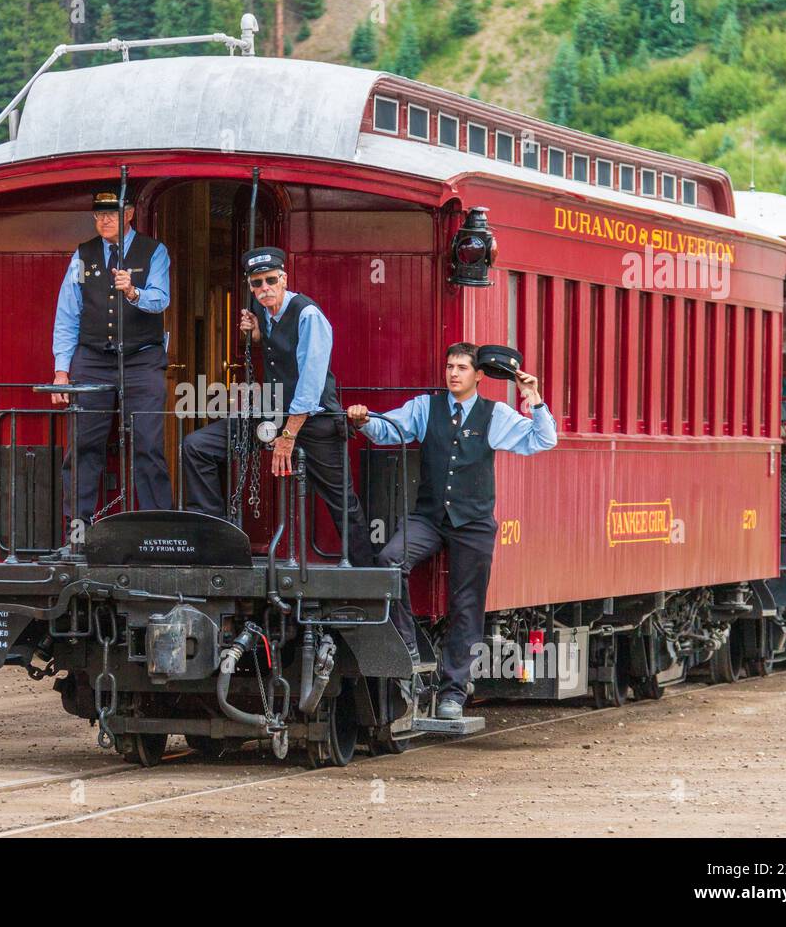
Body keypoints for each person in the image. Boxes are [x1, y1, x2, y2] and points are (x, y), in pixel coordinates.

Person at [346, 341, 557, 719]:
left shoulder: (496, 414)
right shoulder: (426, 407)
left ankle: (453, 694)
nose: (453, 373)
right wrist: (363, 420)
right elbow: (388, 429)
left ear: (478, 375)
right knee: (389, 561)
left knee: (467, 606)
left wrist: (534, 398)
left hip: (473, 523)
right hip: (428, 517)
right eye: (449, 367)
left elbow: (543, 440)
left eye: (461, 367)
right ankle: (408, 648)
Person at [183, 246, 373, 566]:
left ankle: (370, 577)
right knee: (197, 445)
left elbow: (310, 386)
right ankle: (214, 540)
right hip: (273, 414)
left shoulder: (308, 315)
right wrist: (258, 335)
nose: (264, 288)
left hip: (314, 420)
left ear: (284, 278)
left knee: (343, 503)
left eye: (271, 280)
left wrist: (287, 436)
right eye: (257, 283)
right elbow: (280, 354)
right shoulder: (268, 316)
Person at [51, 191, 173, 522]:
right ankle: (78, 533)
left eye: (112, 213)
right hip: (92, 358)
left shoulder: (154, 252)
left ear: (130, 214)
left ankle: (156, 530)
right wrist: (62, 371)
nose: (104, 220)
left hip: (142, 357)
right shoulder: (83, 255)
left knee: (148, 444)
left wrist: (133, 292)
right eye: (99, 214)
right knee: (82, 446)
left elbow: (161, 300)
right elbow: (68, 314)